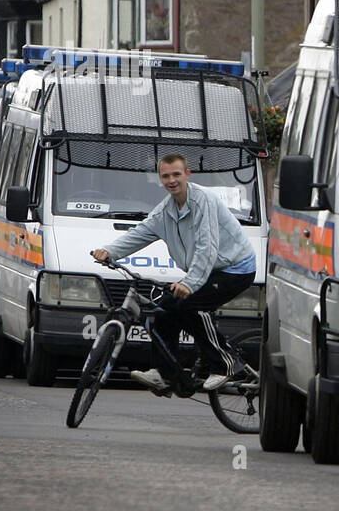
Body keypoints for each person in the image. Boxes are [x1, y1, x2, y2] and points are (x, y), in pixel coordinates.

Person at [91, 153, 257, 394]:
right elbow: (141, 232)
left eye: (176, 174)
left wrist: (189, 284)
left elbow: (207, 247)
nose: (171, 180)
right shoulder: (166, 210)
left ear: (187, 175)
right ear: (160, 179)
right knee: (165, 309)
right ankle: (164, 374)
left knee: (190, 304)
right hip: (206, 271)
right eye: (166, 176)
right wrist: (109, 251)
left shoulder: (203, 201)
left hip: (235, 268)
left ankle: (226, 363)